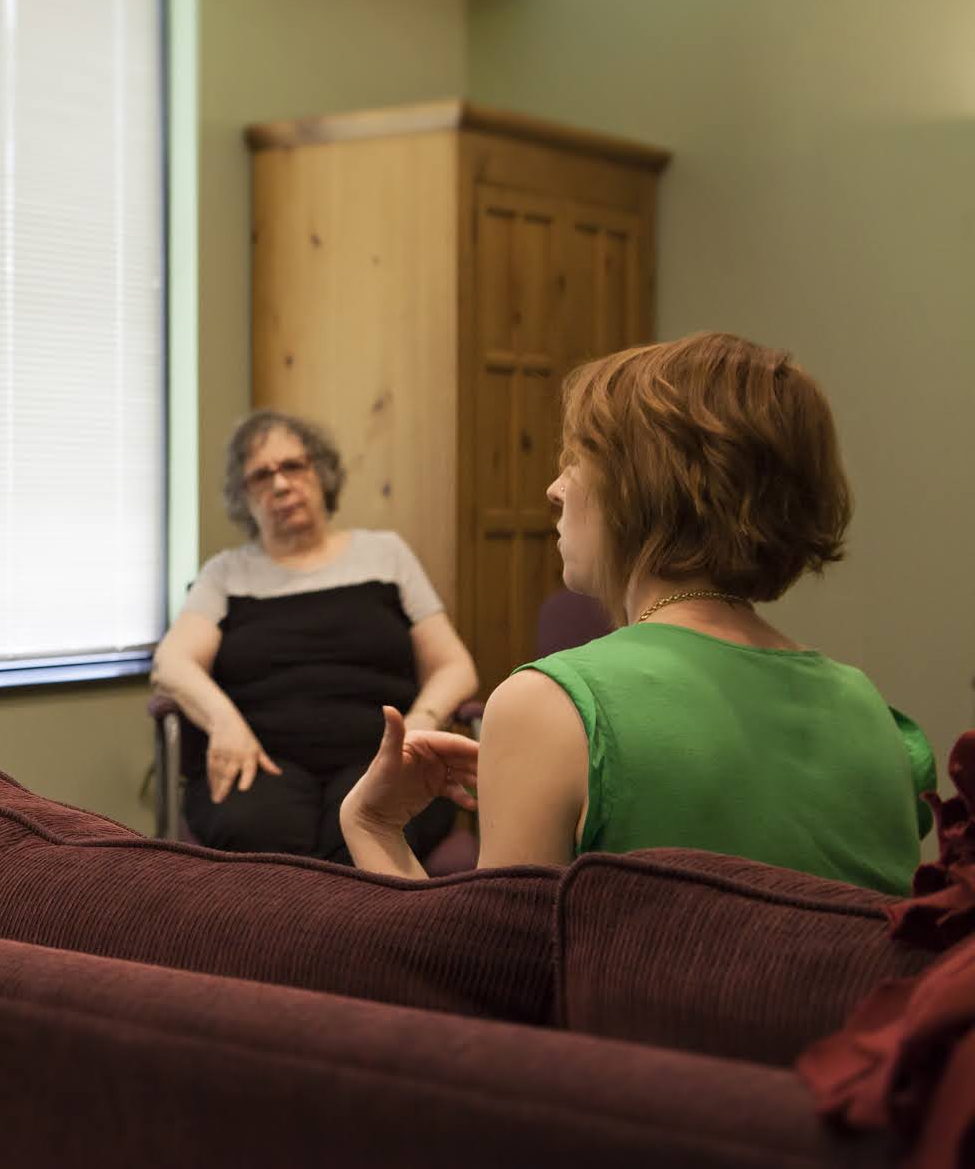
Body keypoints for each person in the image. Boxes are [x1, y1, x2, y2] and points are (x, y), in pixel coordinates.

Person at [341, 332, 935, 895]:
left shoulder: (548, 705)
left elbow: (486, 964)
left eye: (576, 459)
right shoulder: (874, 715)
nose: (554, 489)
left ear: (644, 486)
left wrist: (372, 827)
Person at [151, 410, 478, 861]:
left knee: (367, 832)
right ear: (243, 496)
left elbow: (455, 665)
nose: (280, 484)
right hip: (260, 758)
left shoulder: (386, 555)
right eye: (261, 476)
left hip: (378, 753)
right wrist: (224, 722)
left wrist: (422, 722)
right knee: (259, 834)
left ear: (321, 473)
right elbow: (171, 663)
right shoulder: (224, 574)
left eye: (293, 466)